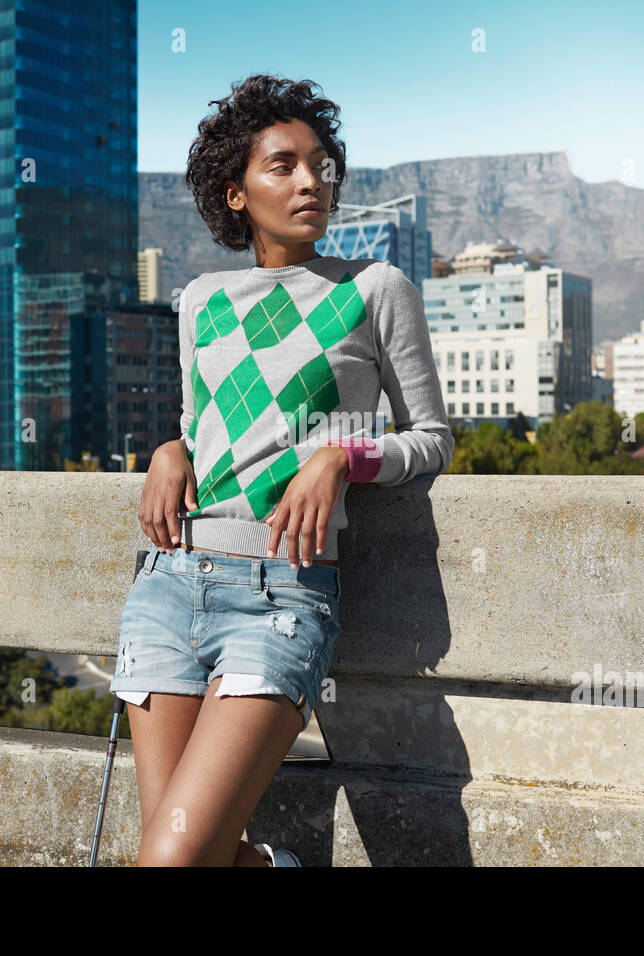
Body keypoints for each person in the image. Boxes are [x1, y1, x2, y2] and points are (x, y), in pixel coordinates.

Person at [109, 74, 453, 867]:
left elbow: (432, 438)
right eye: (283, 165)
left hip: (281, 596)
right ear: (235, 194)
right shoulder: (201, 299)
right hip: (168, 583)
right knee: (190, 857)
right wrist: (169, 452)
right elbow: (205, 433)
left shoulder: (375, 289)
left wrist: (342, 455)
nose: (311, 181)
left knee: (171, 860)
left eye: (321, 164)